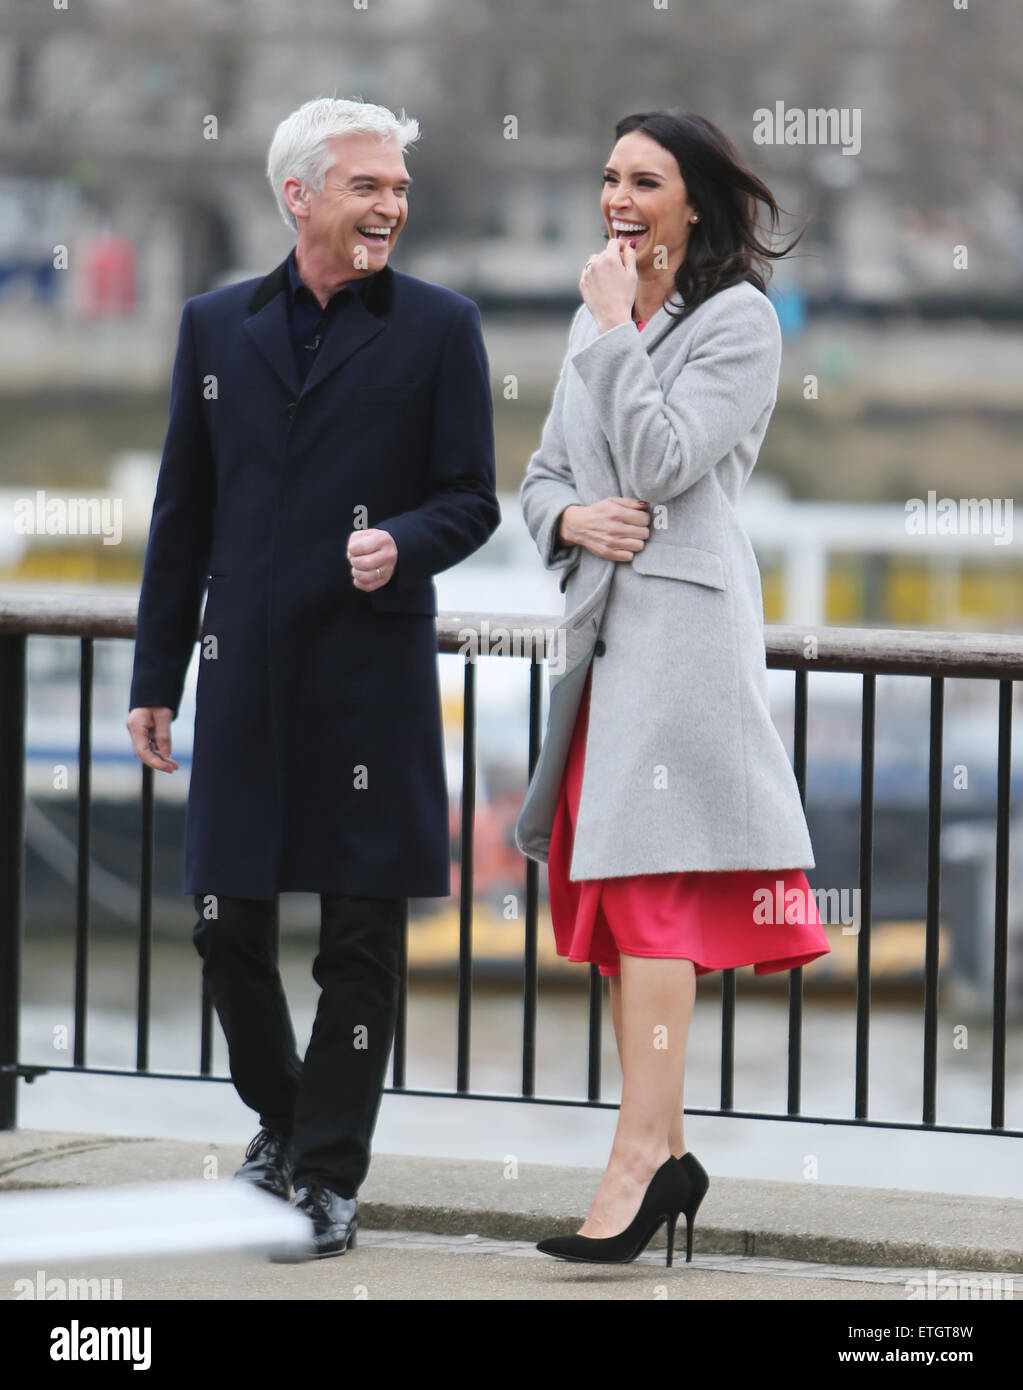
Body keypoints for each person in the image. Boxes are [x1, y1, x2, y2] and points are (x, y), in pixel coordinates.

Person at [126, 97, 500, 1261]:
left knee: (359, 943)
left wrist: (405, 541)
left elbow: (472, 498)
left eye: (397, 187)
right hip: (240, 675)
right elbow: (181, 516)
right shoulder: (213, 325)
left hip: (369, 676)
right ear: (300, 197)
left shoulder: (442, 328)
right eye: (366, 186)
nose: (389, 204)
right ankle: (285, 1121)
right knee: (222, 924)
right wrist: (157, 675)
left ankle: (326, 1178)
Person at [515, 108, 831, 1266]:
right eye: (609, 177)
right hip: (602, 647)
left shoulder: (740, 323)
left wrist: (608, 333)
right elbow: (548, 477)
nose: (619, 198)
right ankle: (666, 1149)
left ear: (695, 201)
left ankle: (639, 1161)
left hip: (682, 647)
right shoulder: (602, 314)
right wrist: (570, 517)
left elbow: (662, 461)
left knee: (649, 906)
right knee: (617, 914)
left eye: (645, 180)